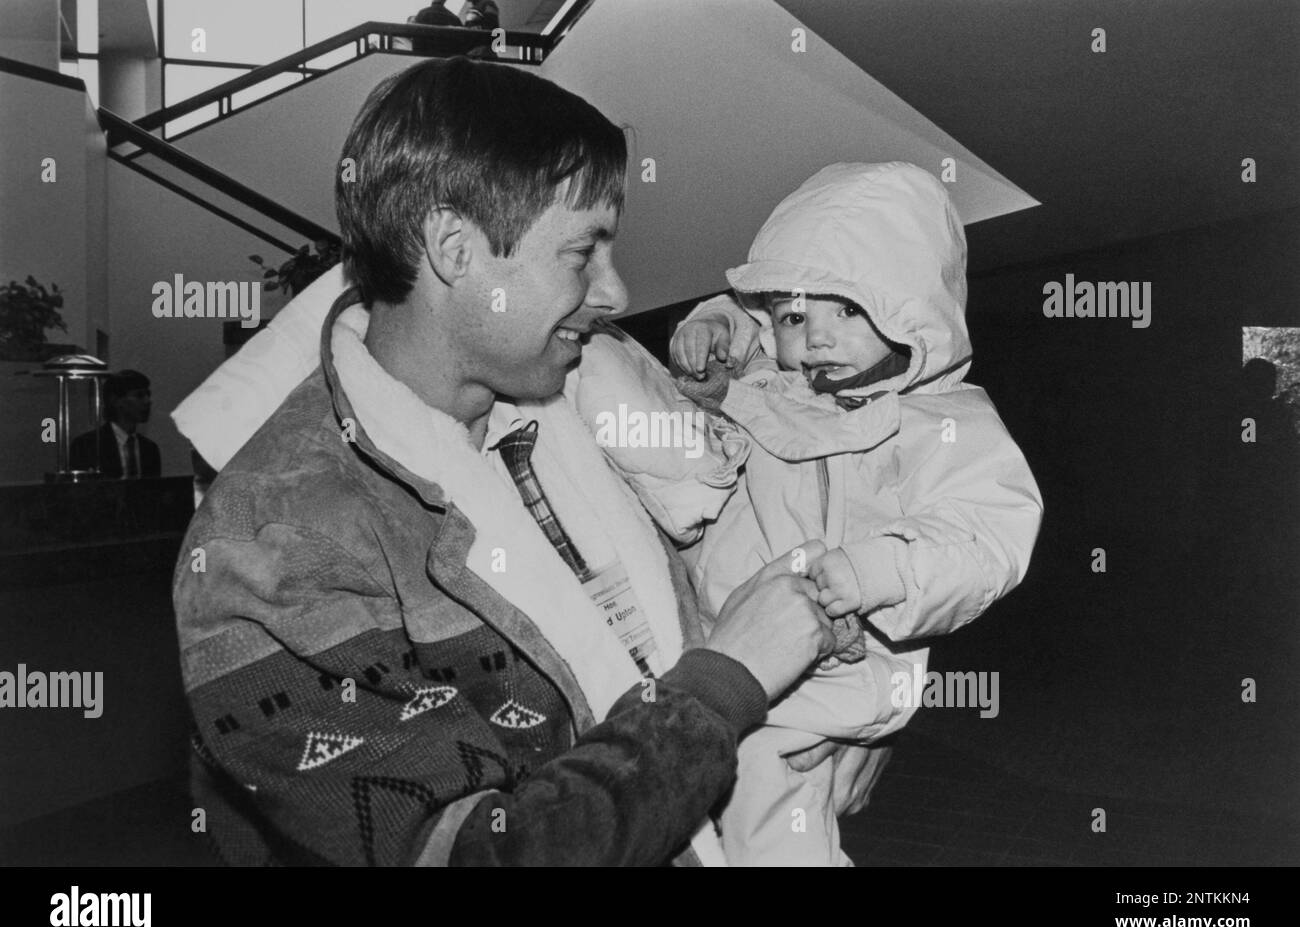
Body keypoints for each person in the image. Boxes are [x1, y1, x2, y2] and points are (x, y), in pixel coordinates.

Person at [172, 57, 838, 867]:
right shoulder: (269, 549)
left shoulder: (565, 409)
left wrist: (819, 729)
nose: (616, 292)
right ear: (455, 248)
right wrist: (729, 684)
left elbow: (662, 631)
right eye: (583, 252)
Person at [584, 162, 1043, 864]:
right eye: (796, 315)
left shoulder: (944, 424)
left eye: (849, 311)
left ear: (912, 313)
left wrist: (876, 569)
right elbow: (747, 329)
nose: (816, 338)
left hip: (829, 679)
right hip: (714, 642)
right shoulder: (775, 383)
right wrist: (714, 327)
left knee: (767, 819)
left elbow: (986, 535)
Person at [69, 368, 161, 478]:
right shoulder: (87, 446)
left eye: (148, 395)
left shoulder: (150, 449)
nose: (148, 401)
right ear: (116, 401)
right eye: (139, 395)